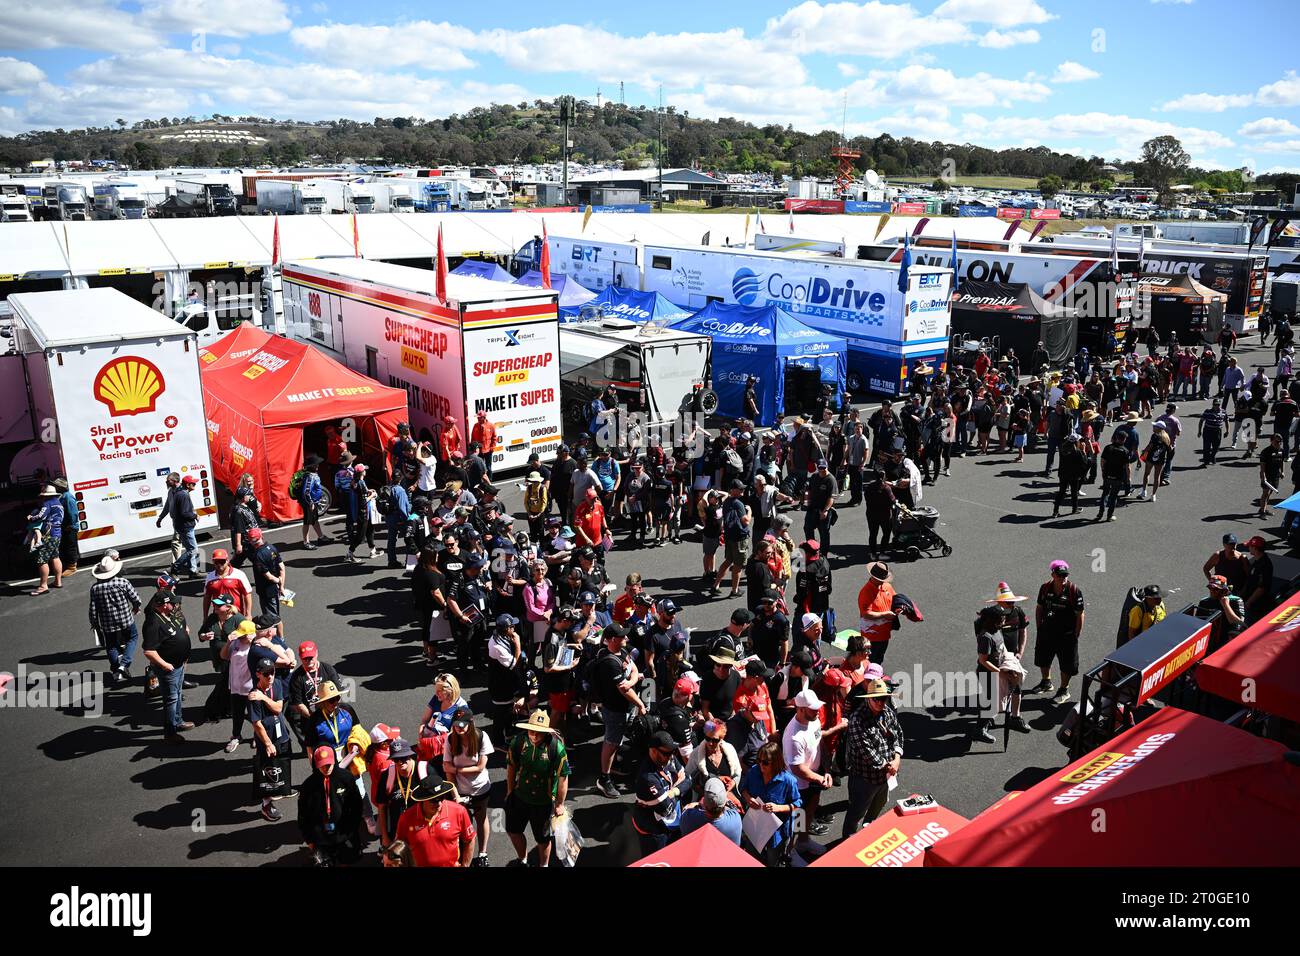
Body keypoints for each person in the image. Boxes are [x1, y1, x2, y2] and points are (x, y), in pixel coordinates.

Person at [505, 710, 570, 868]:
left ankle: (544, 865)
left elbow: (563, 777)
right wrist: (510, 790)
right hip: (520, 796)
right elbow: (511, 767)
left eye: (539, 733)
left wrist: (560, 804)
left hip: (543, 802)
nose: (534, 735)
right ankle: (523, 860)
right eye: (531, 731)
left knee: (543, 839)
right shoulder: (518, 742)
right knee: (513, 831)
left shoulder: (556, 748)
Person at [842, 679, 904, 839]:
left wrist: (896, 758)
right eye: (876, 699)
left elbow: (898, 734)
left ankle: (868, 829)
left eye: (883, 698)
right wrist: (889, 766)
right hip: (865, 778)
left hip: (886, 775)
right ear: (868, 698)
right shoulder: (857, 720)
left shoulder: (888, 712)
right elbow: (867, 752)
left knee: (879, 805)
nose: (880, 702)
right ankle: (847, 841)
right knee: (856, 811)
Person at [592, 623, 646, 799]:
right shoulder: (610, 662)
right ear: (613, 639)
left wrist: (630, 681)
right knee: (611, 741)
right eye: (623, 636)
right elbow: (623, 690)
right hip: (615, 709)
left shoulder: (621, 651)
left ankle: (613, 764)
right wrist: (640, 704)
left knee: (618, 739)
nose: (627, 638)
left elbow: (635, 669)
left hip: (625, 705)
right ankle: (604, 778)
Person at [1028, 560, 1085, 706]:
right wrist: (1039, 626)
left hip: (1067, 635)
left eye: (1065, 575)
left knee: (1067, 664)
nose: (1063, 578)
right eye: (1060, 575)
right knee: (1043, 658)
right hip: (1047, 631)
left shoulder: (1074, 590)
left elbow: (1080, 614)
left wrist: (1076, 633)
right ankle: (1046, 682)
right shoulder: (1045, 588)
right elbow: (1039, 607)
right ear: (1053, 574)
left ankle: (1063, 689)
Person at [442, 708, 493, 865]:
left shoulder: (481, 737)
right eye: (456, 725)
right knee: (462, 824)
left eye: (463, 725)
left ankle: (482, 852)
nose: (459, 728)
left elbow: (480, 766)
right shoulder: (450, 740)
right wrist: (455, 795)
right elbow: (446, 770)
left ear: (471, 723)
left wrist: (456, 769)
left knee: (481, 817)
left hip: (480, 788)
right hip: (460, 790)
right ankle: (463, 854)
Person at [739, 739, 802, 865]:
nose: (761, 765)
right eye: (759, 761)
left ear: (776, 762)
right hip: (755, 827)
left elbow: (797, 804)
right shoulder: (754, 772)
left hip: (776, 833)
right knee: (752, 859)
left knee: (772, 861)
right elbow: (743, 789)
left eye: (765, 762)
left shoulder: (788, 781)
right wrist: (748, 798)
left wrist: (778, 808)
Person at [298, 746, 364, 867]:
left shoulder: (346, 778)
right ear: (316, 764)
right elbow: (303, 814)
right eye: (322, 765)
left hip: (345, 834)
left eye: (328, 764)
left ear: (334, 760)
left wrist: (352, 828)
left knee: (347, 862)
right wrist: (309, 839)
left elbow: (357, 805)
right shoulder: (308, 785)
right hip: (321, 838)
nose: (326, 768)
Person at [142, 589, 193, 744]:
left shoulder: (167, 615)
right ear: (164, 605)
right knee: (171, 699)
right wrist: (165, 665)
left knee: (177, 693)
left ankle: (178, 721)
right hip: (169, 668)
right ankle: (170, 732)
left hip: (178, 664)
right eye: (172, 602)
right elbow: (149, 651)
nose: (175, 604)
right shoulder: (153, 623)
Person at [973, 605, 1028, 742]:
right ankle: (980, 729)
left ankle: (1011, 719)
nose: (1005, 621)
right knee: (989, 702)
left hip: (1001, 668)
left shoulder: (997, 630)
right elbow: (983, 660)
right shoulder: (986, 637)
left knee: (1009, 693)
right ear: (994, 620)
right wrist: (1001, 673)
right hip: (988, 674)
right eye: (1002, 619)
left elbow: (1001, 650)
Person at [248, 657, 293, 821]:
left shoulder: (277, 684)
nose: (270, 677)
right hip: (267, 738)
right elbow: (256, 723)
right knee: (268, 769)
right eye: (266, 674)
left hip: (281, 734)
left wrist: (265, 698)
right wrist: (267, 743)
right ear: (258, 674)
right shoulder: (253, 696)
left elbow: (278, 708)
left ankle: (282, 788)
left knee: (284, 760)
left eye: (272, 672)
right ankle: (266, 805)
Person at [782, 688, 831, 838]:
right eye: (814, 708)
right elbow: (797, 769)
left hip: (814, 777)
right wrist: (820, 779)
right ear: (802, 710)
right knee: (799, 816)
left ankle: (803, 841)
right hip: (800, 785)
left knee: (811, 808)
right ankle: (794, 847)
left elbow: (819, 742)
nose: (818, 711)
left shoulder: (814, 719)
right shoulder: (794, 737)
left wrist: (826, 770)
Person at [88, 551, 141, 686]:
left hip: (107, 623)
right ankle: (124, 665)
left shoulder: (95, 588)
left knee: (111, 646)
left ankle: (116, 671)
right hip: (125, 620)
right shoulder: (122, 582)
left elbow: (93, 610)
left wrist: (95, 624)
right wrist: (136, 607)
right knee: (132, 638)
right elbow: (135, 598)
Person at [632, 730, 687, 857]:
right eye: (666, 753)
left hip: (670, 822)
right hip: (653, 830)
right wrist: (679, 789)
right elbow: (666, 808)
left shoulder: (667, 759)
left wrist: (673, 792)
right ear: (653, 751)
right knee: (656, 859)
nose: (671, 756)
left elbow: (688, 779)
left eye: (673, 752)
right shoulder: (648, 777)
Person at [711, 480, 752, 597]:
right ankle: (734, 591)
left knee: (728, 560)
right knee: (738, 565)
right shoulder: (738, 503)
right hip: (740, 538)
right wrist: (750, 511)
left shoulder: (727, 501)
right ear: (733, 490)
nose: (742, 490)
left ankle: (715, 585)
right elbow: (746, 521)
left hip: (729, 537)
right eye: (740, 489)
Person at [157, 473, 201, 577]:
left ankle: (193, 571)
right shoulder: (181, 493)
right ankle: (175, 567)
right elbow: (183, 512)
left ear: (176, 481)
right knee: (192, 549)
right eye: (193, 483)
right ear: (187, 485)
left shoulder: (180, 491)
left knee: (189, 548)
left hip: (180, 524)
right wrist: (195, 516)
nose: (166, 482)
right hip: (183, 524)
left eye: (168, 480)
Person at [680, 776, 744, 844]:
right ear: (724, 802)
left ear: (704, 803)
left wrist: (696, 804)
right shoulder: (735, 818)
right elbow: (730, 806)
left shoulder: (688, 818)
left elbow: (686, 810)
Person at [857, 561, 897, 665]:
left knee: (879, 658)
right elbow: (866, 613)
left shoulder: (887, 586)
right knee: (869, 661)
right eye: (881, 579)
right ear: (873, 577)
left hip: (884, 633)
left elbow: (895, 600)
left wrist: (899, 607)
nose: (883, 581)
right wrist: (885, 614)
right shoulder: (866, 592)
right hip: (872, 635)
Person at [247, 527, 286, 620]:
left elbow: (269, 577)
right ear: (261, 536)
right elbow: (282, 568)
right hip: (274, 590)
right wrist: (281, 586)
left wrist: (278, 581)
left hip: (266, 591)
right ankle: (280, 635)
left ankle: (276, 634)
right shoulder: (271, 547)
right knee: (275, 615)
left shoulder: (258, 556)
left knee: (271, 618)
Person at [203, 548, 252, 620]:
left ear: (227, 560)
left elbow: (247, 594)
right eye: (216, 562)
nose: (219, 564)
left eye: (222, 561)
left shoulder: (239, 574)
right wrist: (205, 616)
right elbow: (207, 597)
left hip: (236, 614)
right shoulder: (210, 577)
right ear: (213, 562)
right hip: (219, 615)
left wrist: (248, 614)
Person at [1096, 430, 1130, 523]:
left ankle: (1100, 513)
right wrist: (1128, 478)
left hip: (1107, 475)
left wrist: (1103, 471)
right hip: (1118, 476)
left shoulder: (1108, 447)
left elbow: (1102, 461)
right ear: (1124, 439)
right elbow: (1127, 467)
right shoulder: (1125, 451)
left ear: (1116, 438)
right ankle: (1109, 516)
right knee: (1114, 496)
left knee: (1105, 494)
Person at [1052, 433, 1087, 518]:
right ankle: (1074, 509)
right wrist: (1084, 451)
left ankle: (1055, 511)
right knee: (1074, 492)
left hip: (1063, 473)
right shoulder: (1077, 452)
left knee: (1061, 492)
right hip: (1074, 475)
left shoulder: (1062, 449)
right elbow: (1084, 463)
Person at [1135, 422, 1171, 501]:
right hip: (1161, 459)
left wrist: (1144, 451)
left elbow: (1150, 446)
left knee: (1147, 473)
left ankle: (1144, 491)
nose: (1153, 427)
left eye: (1155, 426)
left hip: (1151, 458)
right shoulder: (1167, 437)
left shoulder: (1155, 436)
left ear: (1159, 428)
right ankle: (1153, 495)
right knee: (1157, 477)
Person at [1242, 536, 1275, 622]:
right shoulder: (1257, 560)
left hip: (1256, 604)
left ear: (1255, 548)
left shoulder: (1264, 565)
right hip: (1250, 600)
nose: (1248, 548)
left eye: (1250, 546)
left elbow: (1261, 588)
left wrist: (1249, 602)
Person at [53, 478, 79, 577]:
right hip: (65, 526)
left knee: (70, 546)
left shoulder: (68, 497)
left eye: (56, 486)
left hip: (69, 527)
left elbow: (73, 513)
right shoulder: (62, 496)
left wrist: (71, 525)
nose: (55, 487)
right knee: (66, 546)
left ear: (61, 487)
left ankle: (72, 567)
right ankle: (69, 564)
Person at [1259, 432, 1286, 517]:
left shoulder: (1281, 451)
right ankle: (1262, 511)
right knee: (1266, 492)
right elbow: (1262, 466)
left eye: (1280, 441)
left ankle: (1263, 508)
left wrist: (1282, 471)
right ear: (1271, 441)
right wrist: (1263, 476)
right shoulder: (1265, 452)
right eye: (1277, 442)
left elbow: (1282, 462)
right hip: (1267, 475)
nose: (1279, 443)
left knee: (1270, 492)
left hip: (1276, 476)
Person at [1199, 399, 1229, 466]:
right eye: (1215, 404)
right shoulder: (1207, 411)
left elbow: (1226, 421)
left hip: (1217, 431)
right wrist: (1199, 431)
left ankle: (1212, 456)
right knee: (1207, 447)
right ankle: (1206, 461)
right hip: (1208, 430)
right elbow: (1201, 421)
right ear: (1213, 405)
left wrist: (1227, 431)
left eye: (1218, 405)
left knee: (1216, 447)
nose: (1217, 406)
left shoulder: (1223, 412)